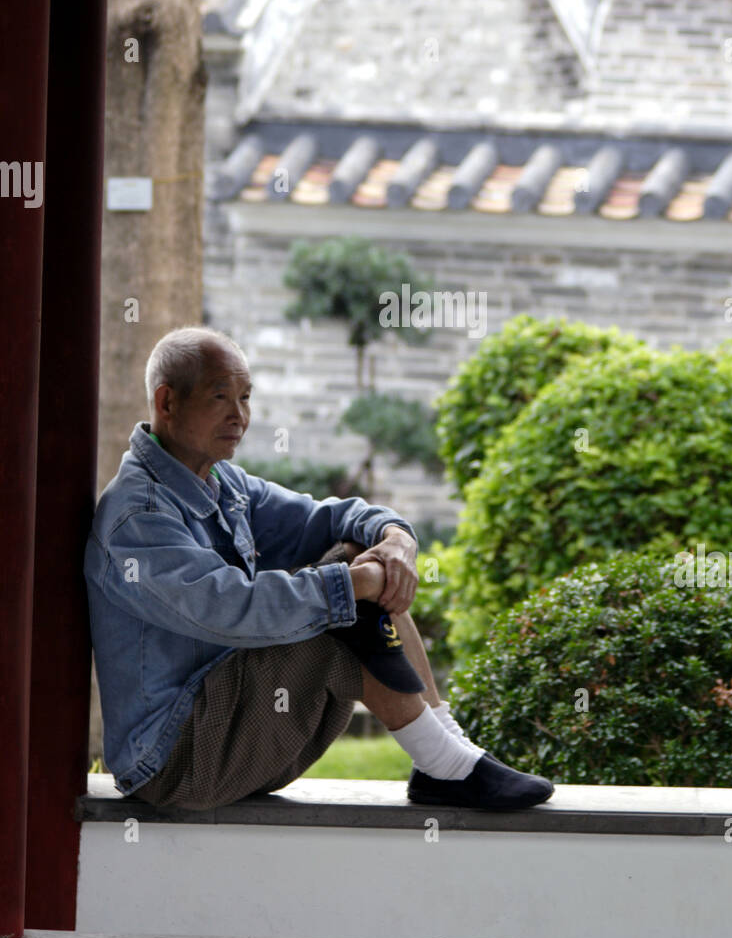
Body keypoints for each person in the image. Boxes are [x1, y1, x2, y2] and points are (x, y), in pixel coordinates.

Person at [84, 325, 554, 812]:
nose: (240, 416)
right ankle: (446, 765)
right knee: (343, 612)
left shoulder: (223, 483)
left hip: (226, 723)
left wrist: (396, 541)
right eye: (221, 396)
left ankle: (445, 753)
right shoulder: (139, 516)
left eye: (246, 397)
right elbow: (230, 607)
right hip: (172, 762)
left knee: (357, 555)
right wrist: (354, 584)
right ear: (167, 402)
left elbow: (327, 518)